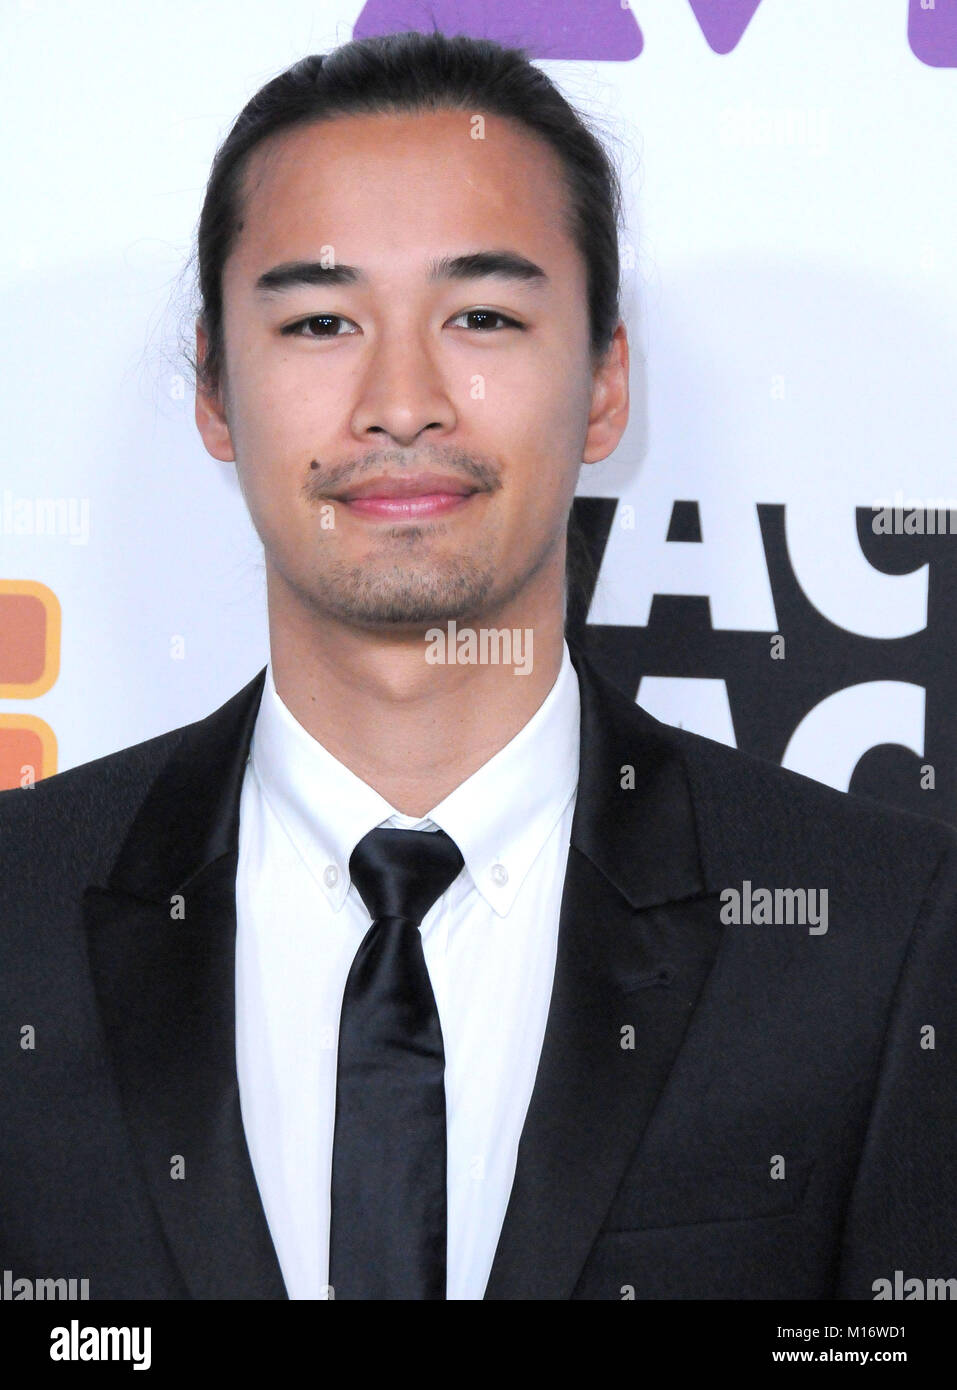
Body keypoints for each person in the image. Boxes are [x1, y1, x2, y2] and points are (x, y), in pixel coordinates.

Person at [2, 30, 956, 1303]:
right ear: (215, 390)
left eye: (484, 316)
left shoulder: (876, 933)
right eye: (322, 319)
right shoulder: (21, 915)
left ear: (607, 381)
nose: (402, 400)